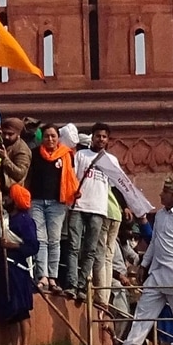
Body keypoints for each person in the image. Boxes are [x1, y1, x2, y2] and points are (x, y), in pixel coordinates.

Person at [116, 177, 173, 345]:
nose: (161, 194)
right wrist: (144, 265)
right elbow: (154, 243)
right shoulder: (160, 215)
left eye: (165, 192)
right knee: (144, 310)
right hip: (157, 271)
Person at [62, 123, 129, 302]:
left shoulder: (111, 161)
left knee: (90, 250)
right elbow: (72, 178)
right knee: (74, 247)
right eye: (98, 136)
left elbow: (118, 187)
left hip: (99, 209)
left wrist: (128, 205)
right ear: (92, 137)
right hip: (79, 206)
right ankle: (71, 284)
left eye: (104, 137)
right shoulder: (81, 155)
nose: (101, 139)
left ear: (108, 140)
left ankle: (83, 286)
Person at [24, 121, 75, 292]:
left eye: (53, 136)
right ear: (42, 138)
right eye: (47, 136)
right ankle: (42, 275)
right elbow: (28, 177)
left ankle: (53, 277)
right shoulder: (34, 154)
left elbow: (71, 179)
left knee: (54, 240)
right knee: (41, 239)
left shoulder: (66, 155)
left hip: (57, 203)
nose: (50, 139)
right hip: (37, 202)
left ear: (58, 138)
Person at [0, 184, 39, 345]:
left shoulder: (25, 221)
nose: (5, 200)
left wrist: (10, 245)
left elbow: (33, 246)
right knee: (10, 311)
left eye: (9, 197)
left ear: (16, 201)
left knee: (21, 311)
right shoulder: (4, 220)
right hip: (4, 271)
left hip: (18, 271)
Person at [0, 115, 31, 188]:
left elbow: (19, 174)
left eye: (10, 134)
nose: (6, 137)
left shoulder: (22, 150)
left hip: (12, 193)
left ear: (18, 134)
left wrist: (5, 158)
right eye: (4, 133)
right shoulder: (2, 143)